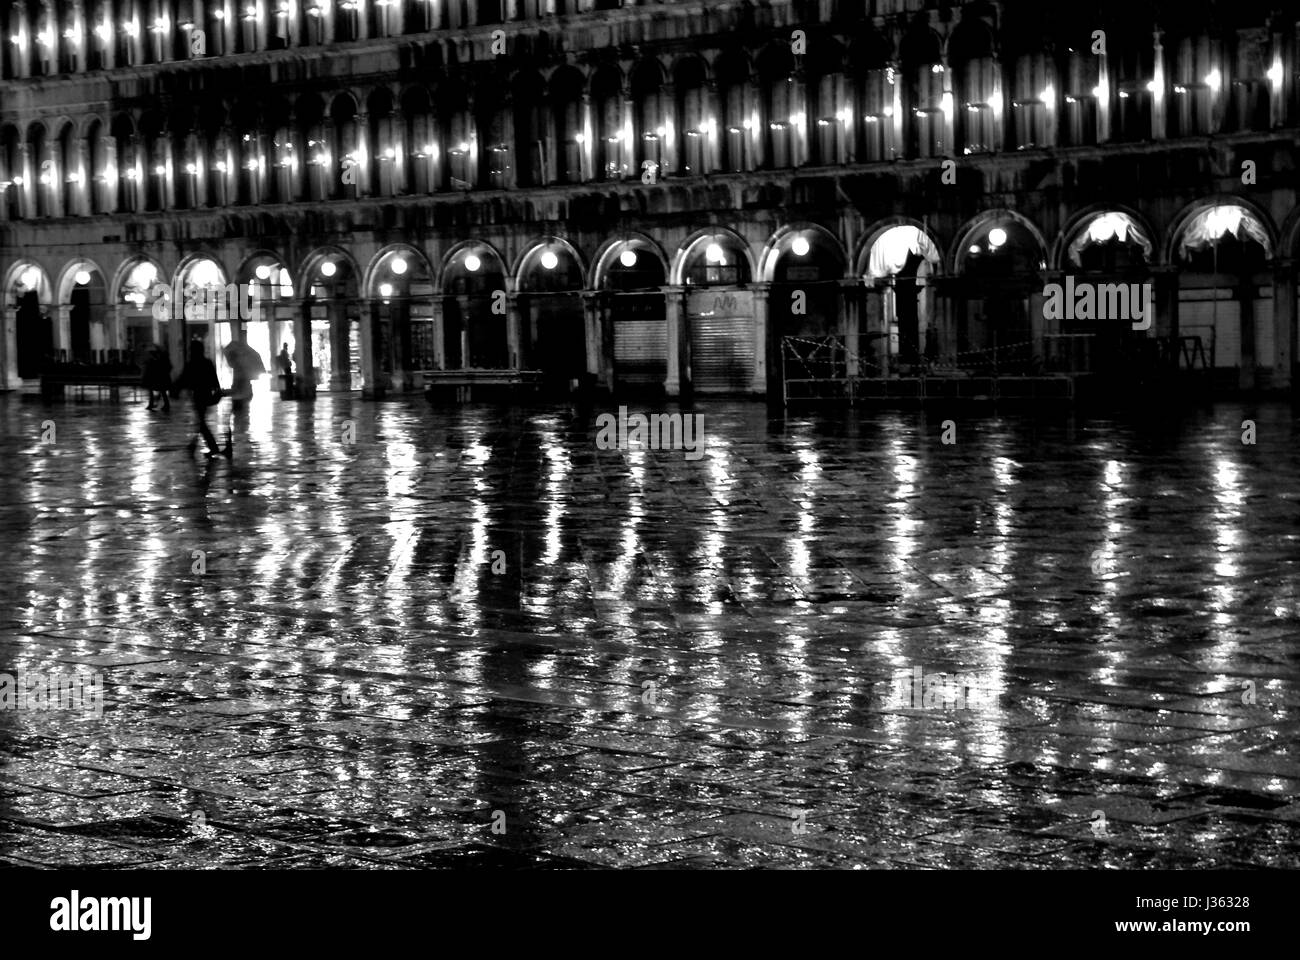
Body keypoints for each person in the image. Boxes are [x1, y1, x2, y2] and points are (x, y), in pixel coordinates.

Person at [172, 340, 228, 459]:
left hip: (198, 395)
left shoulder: (192, 363)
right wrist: (217, 390)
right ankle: (197, 444)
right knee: (201, 421)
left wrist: (176, 388)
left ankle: (212, 447)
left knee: (201, 423)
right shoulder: (207, 363)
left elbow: (183, 379)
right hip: (206, 394)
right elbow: (214, 379)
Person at [142, 344, 172, 412]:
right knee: (161, 391)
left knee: (160, 391)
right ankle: (159, 404)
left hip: (159, 377)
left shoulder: (162, 358)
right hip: (159, 378)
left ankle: (156, 404)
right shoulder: (161, 358)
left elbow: (161, 367)